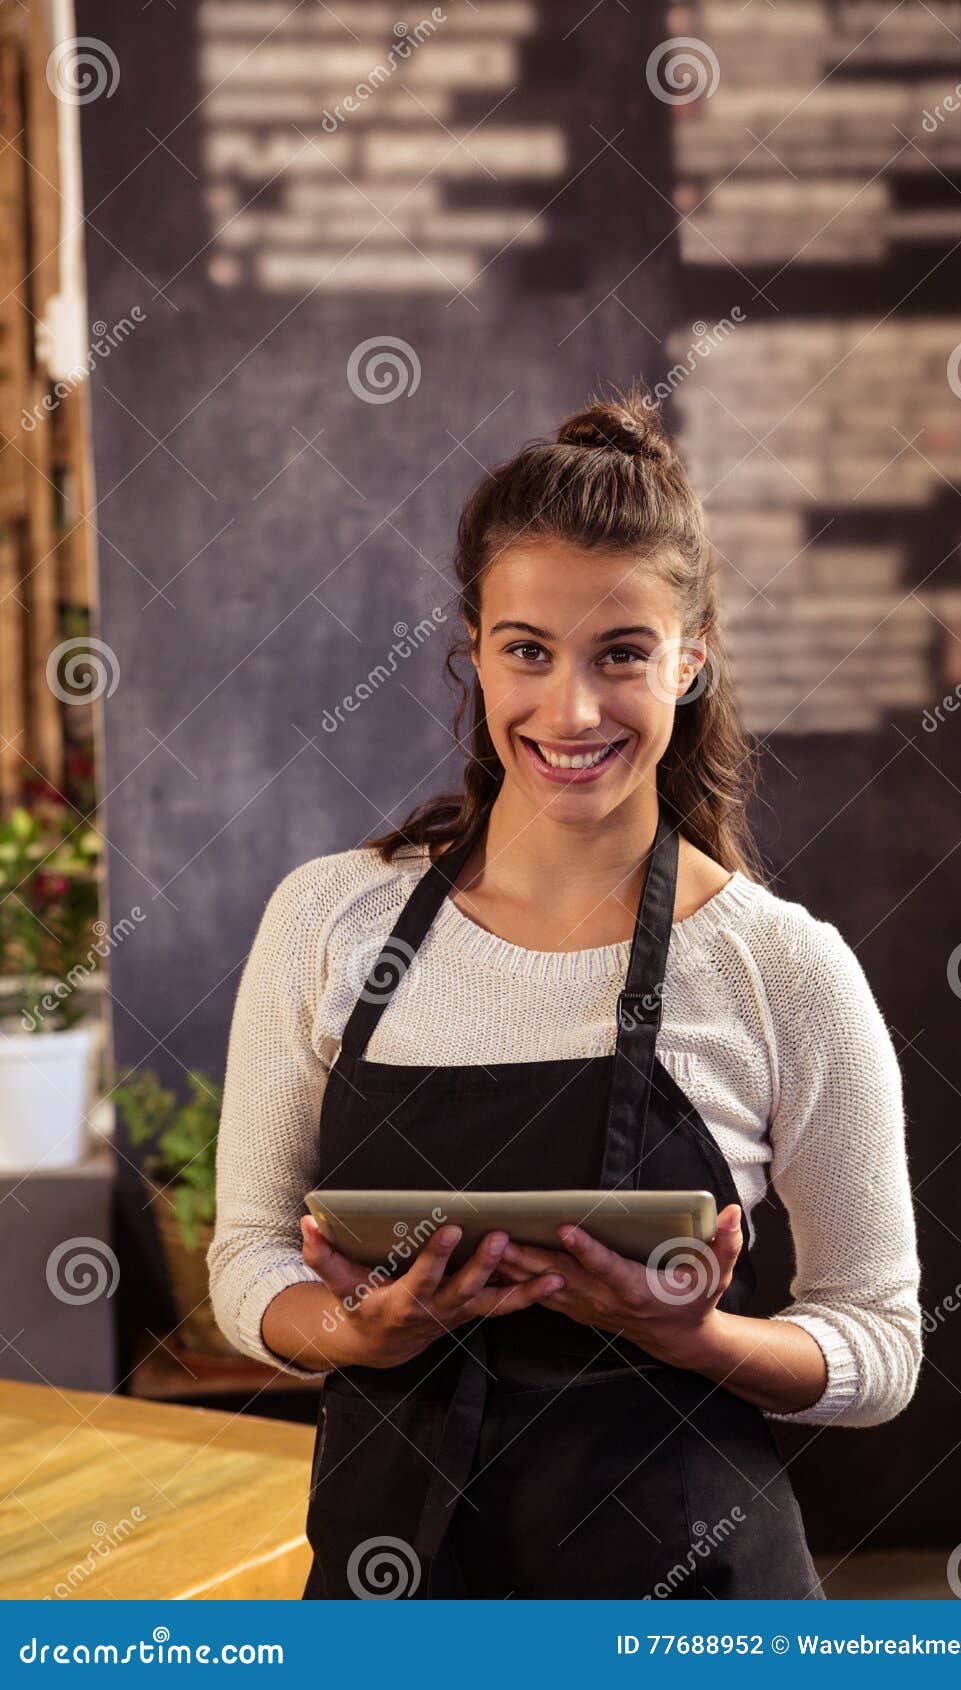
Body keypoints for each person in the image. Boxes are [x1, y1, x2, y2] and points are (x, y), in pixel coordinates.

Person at [207, 385, 923, 1600]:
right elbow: (250, 1256)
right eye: (527, 651)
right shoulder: (329, 920)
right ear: (473, 651)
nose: (571, 709)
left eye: (622, 655)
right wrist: (351, 1334)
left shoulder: (781, 968)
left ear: (688, 661)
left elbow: (878, 1342)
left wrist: (697, 1338)